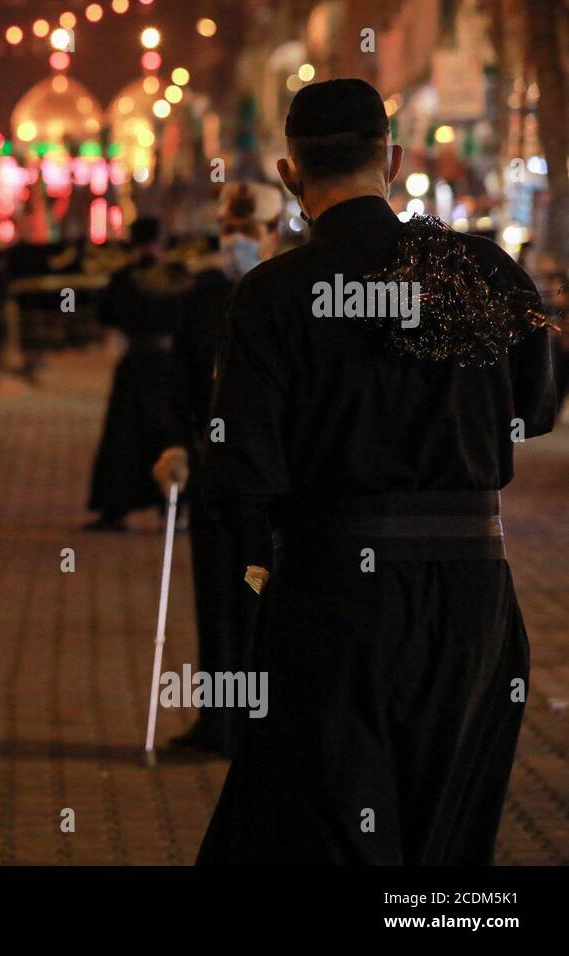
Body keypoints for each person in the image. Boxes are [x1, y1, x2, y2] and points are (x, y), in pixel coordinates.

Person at [197, 79, 558, 864]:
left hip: (334, 594)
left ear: (291, 177)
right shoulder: (485, 272)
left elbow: (240, 471)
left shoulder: (274, 295)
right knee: (446, 830)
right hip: (472, 598)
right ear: (390, 159)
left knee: (320, 823)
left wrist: (257, 581)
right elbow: (537, 408)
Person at [154, 183, 281, 757]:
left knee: (266, 600)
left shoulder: (293, 295)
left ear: (274, 234)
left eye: (249, 233)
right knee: (218, 597)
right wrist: (178, 444)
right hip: (215, 474)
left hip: (274, 482)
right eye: (230, 231)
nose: (237, 243)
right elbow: (182, 383)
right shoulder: (204, 301)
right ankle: (219, 719)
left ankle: (267, 723)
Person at [85, 217, 190, 531]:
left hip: (136, 363)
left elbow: (107, 315)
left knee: (125, 437)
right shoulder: (179, 277)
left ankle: (116, 509)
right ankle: (170, 510)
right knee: (168, 436)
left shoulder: (124, 278)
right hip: (170, 366)